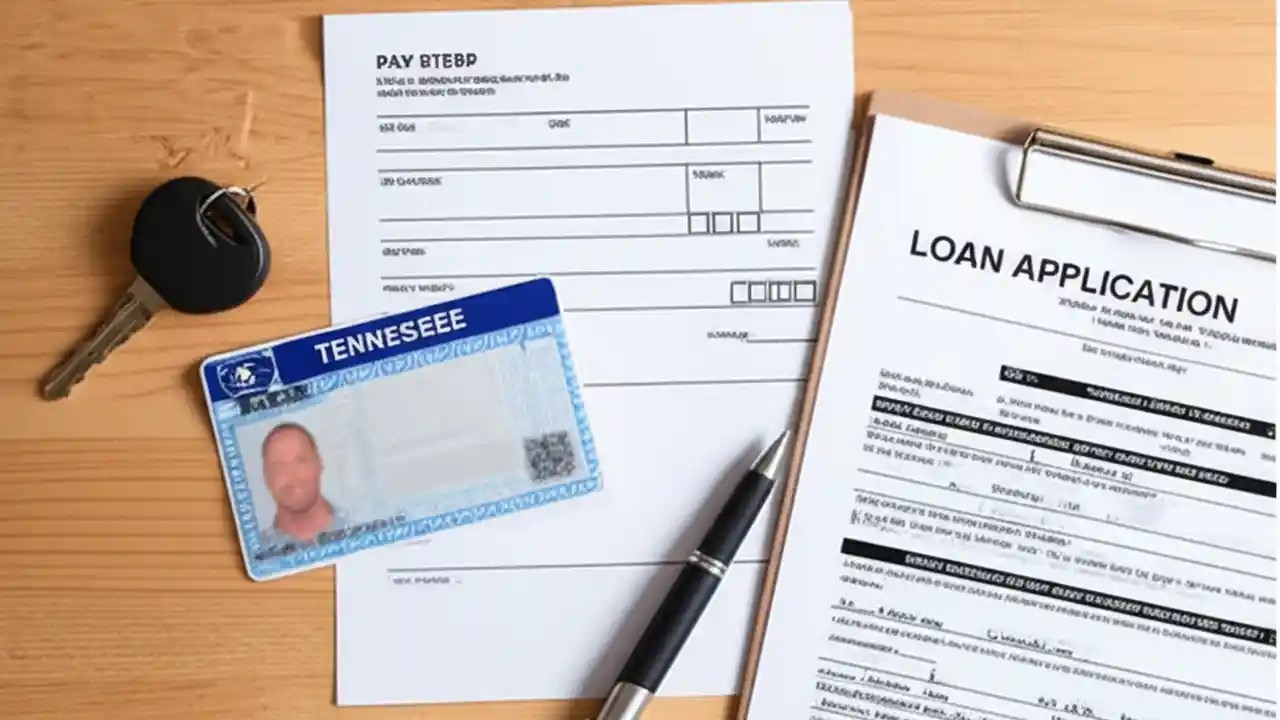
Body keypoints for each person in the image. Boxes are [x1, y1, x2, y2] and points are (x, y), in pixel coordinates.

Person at [256, 422, 346, 549]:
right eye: (279, 467)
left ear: (319, 464)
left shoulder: (364, 529)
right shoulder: (259, 552)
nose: (291, 475)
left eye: (301, 461)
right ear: (266, 477)